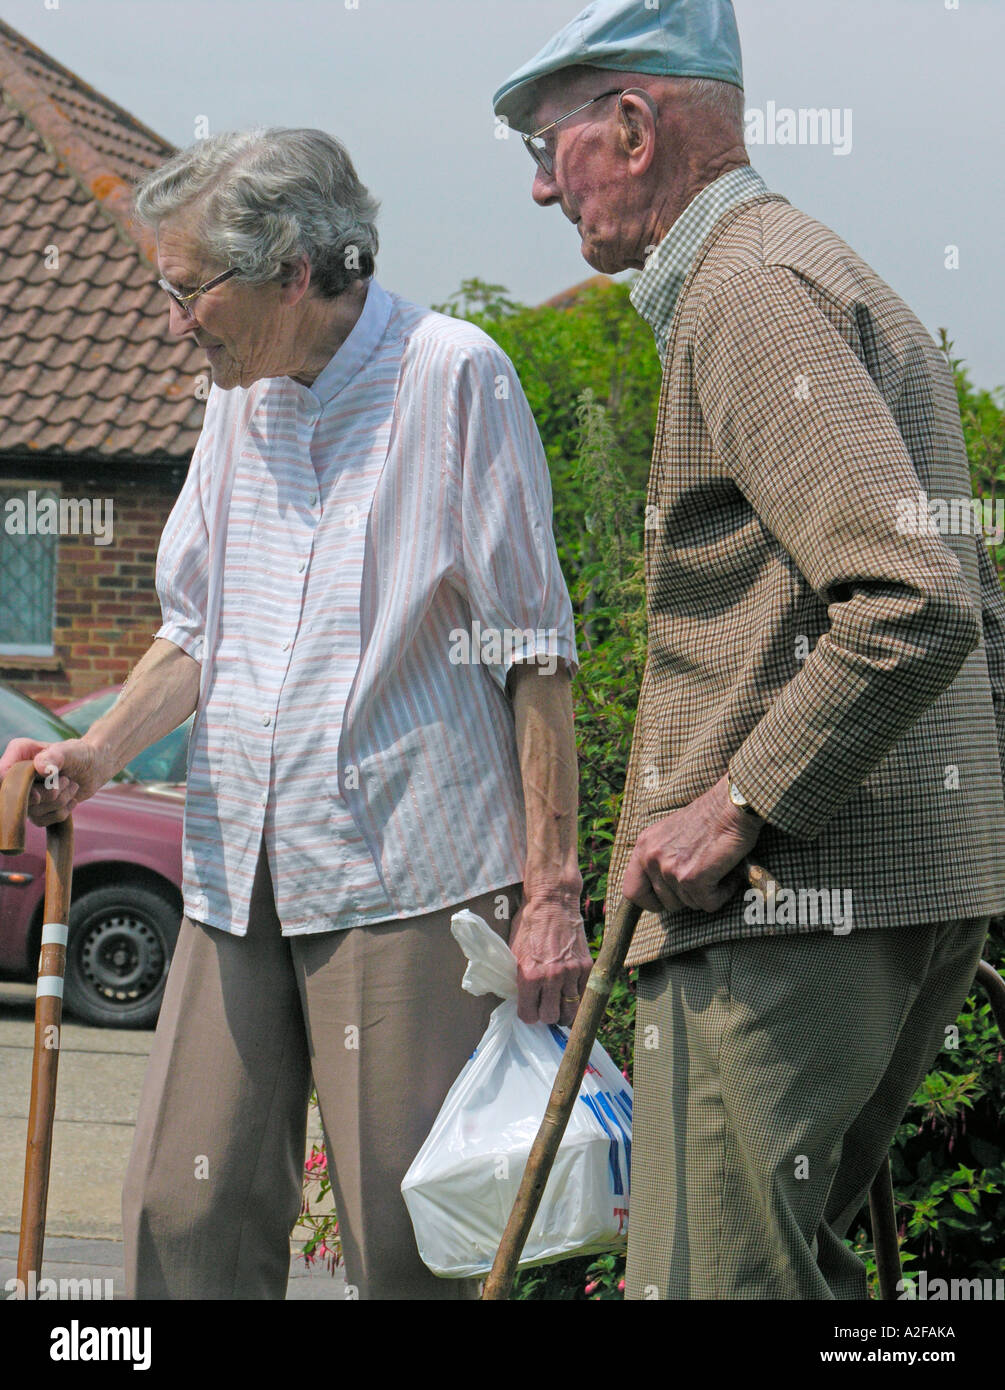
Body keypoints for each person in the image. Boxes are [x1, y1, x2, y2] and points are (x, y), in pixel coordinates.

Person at [0, 126, 591, 1300]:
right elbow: (196, 630)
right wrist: (97, 754)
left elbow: (537, 656)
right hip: (238, 868)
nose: (176, 320)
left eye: (189, 289)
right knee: (184, 1206)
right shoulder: (240, 397)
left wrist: (551, 895)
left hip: (409, 881)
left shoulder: (454, 376)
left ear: (297, 271)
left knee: (406, 1237)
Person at [494, 0, 1005, 1299]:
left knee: (709, 1284)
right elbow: (971, 609)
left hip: (784, 912)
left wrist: (736, 803)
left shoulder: (746, 292)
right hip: (877, 899)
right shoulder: (811, 269)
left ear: (632, 122)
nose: (541, 184)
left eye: (550, 144)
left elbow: (914, 598)